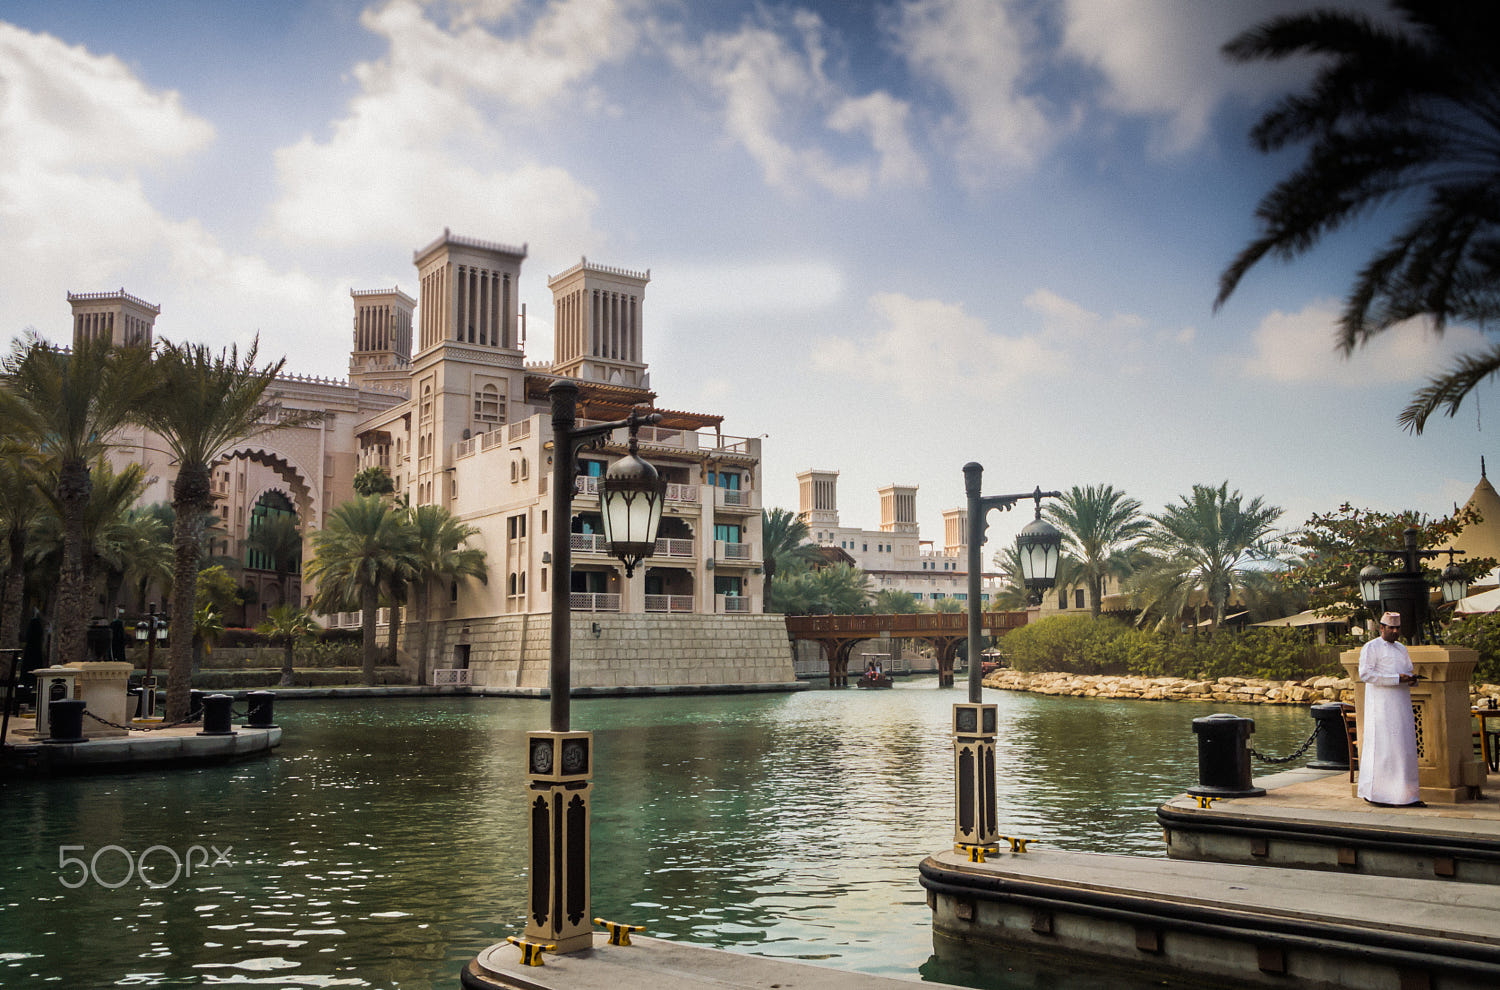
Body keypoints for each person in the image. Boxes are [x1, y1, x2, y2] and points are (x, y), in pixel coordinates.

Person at [1356, 611, 1423, 807]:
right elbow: (1366, 675)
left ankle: (1405, 796)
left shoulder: (1402, 648)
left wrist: (1411, 680)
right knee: (1383, 748)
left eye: (1397, 628)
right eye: (1391, 628)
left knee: (1404, 748)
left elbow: (1408, 670)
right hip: (1381, 707)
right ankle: (1378, 795)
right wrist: (1395, 679)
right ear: (1381, 628)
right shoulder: (1371, 647)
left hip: (1401, 704)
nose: (1395, 631)